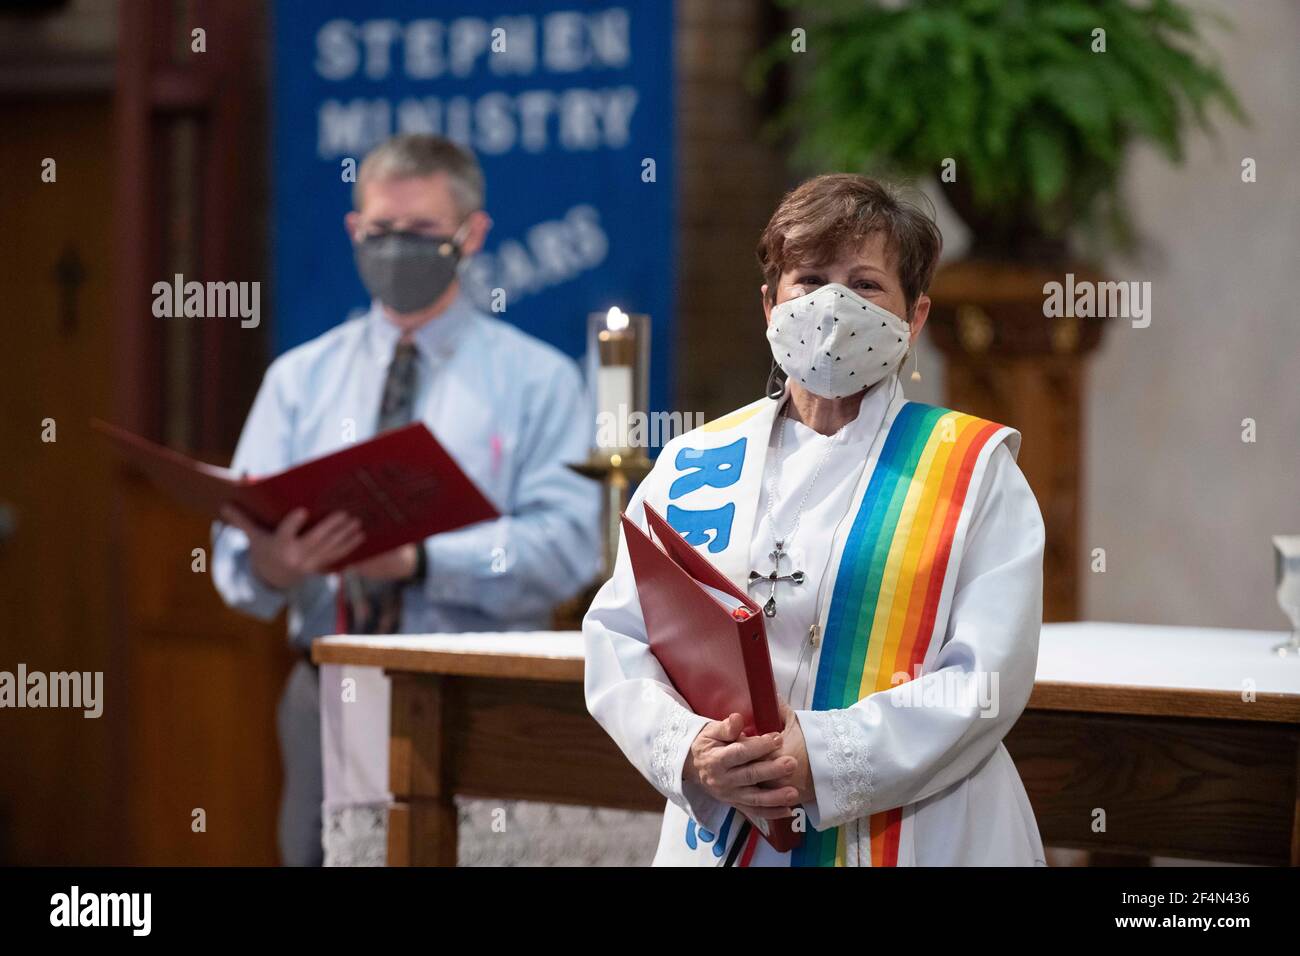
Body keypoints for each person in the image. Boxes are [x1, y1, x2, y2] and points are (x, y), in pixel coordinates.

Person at [583, 174, 1046, 866]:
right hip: (728, 823)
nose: (834, 304)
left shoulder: (972, 470)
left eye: (866, 284)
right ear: (770, 305)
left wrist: (823, 756)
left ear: (914, 317)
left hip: (919, 830)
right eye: (809, 279)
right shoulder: (693, 461)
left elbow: (987, 677)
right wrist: (688, 748)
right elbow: (619, 634)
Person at [213, 134, 600, 866]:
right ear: (355, 231)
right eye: (380, 232)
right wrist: (272, 563)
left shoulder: (537, 379)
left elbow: (571, 544)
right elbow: (234, 559)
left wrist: (420, 560)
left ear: (470, 234)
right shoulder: (300, 379)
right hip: (327, 683)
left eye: (420, 233)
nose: (396, 250)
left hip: (482, 695)